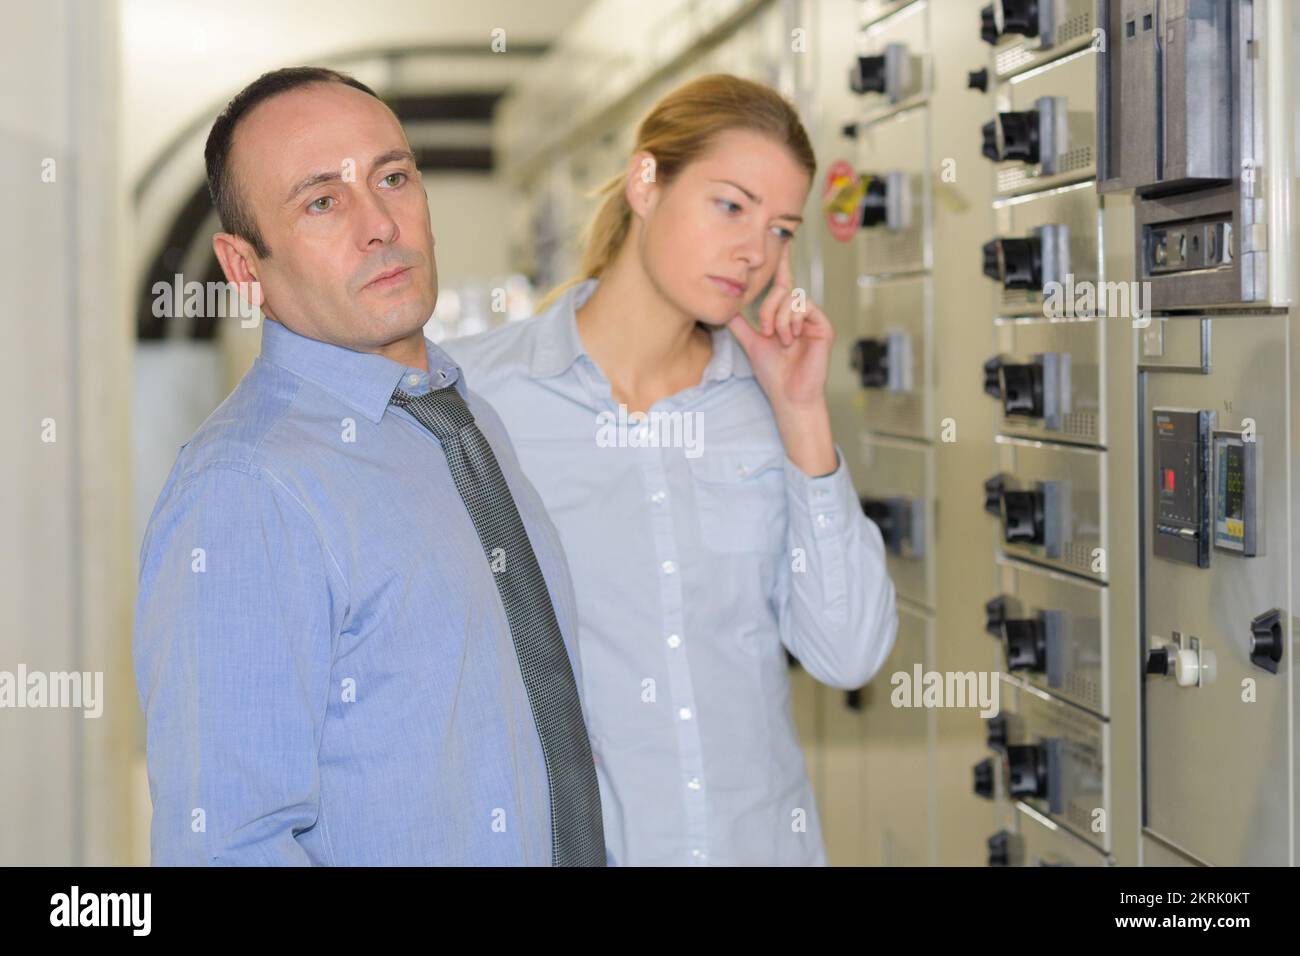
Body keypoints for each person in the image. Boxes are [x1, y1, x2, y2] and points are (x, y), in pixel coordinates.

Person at [133, 66, 604, 866]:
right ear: (244, 268)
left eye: (392, 177)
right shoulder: (247, 490)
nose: (380, 224)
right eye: (322, 201)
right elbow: (230, 847)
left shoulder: (459, 416)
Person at [443, 73, 898, 866]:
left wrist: (802, 415)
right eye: (731, 205)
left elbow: (848, 652)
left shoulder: (767, 408)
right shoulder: (482, 399)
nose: (756, 251)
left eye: (783, 229)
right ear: (646, 181)